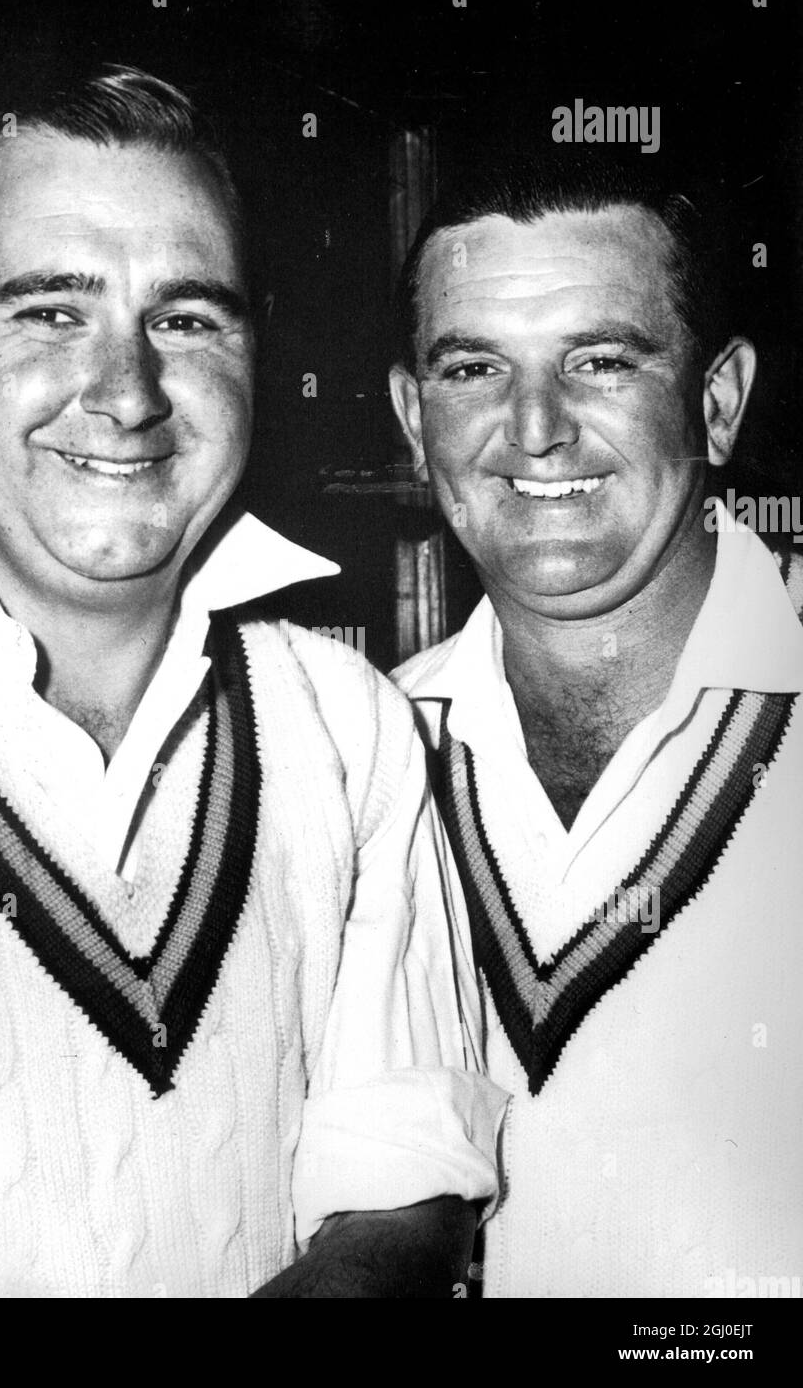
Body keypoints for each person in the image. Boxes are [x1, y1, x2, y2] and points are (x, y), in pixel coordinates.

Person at [0, 65, 507, 1298]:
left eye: (187, 318)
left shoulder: (348, 726)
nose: (128, 393)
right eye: (49, 311)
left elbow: (403, 1186)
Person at [388, 156, 803, 1298]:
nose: (534, 428)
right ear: (411, 417)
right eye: (473, 367)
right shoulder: (351, 755)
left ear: (716, 402)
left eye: (601, 361)